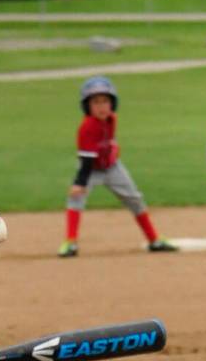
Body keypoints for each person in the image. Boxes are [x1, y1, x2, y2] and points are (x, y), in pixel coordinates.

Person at [58, 76, 177, 258]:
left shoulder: (111, 119)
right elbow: (87, 160)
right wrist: (79, 183)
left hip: (112, 168)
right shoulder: (87, 127)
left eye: (105, 101)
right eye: (96, 102)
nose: (101, 106)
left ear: (112, 103)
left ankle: (154, 240)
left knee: (135, 199)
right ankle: (70, 242)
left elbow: (107, 141)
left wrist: (112, 148)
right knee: (76, 199)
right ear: (87, 106)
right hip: (90, 170)